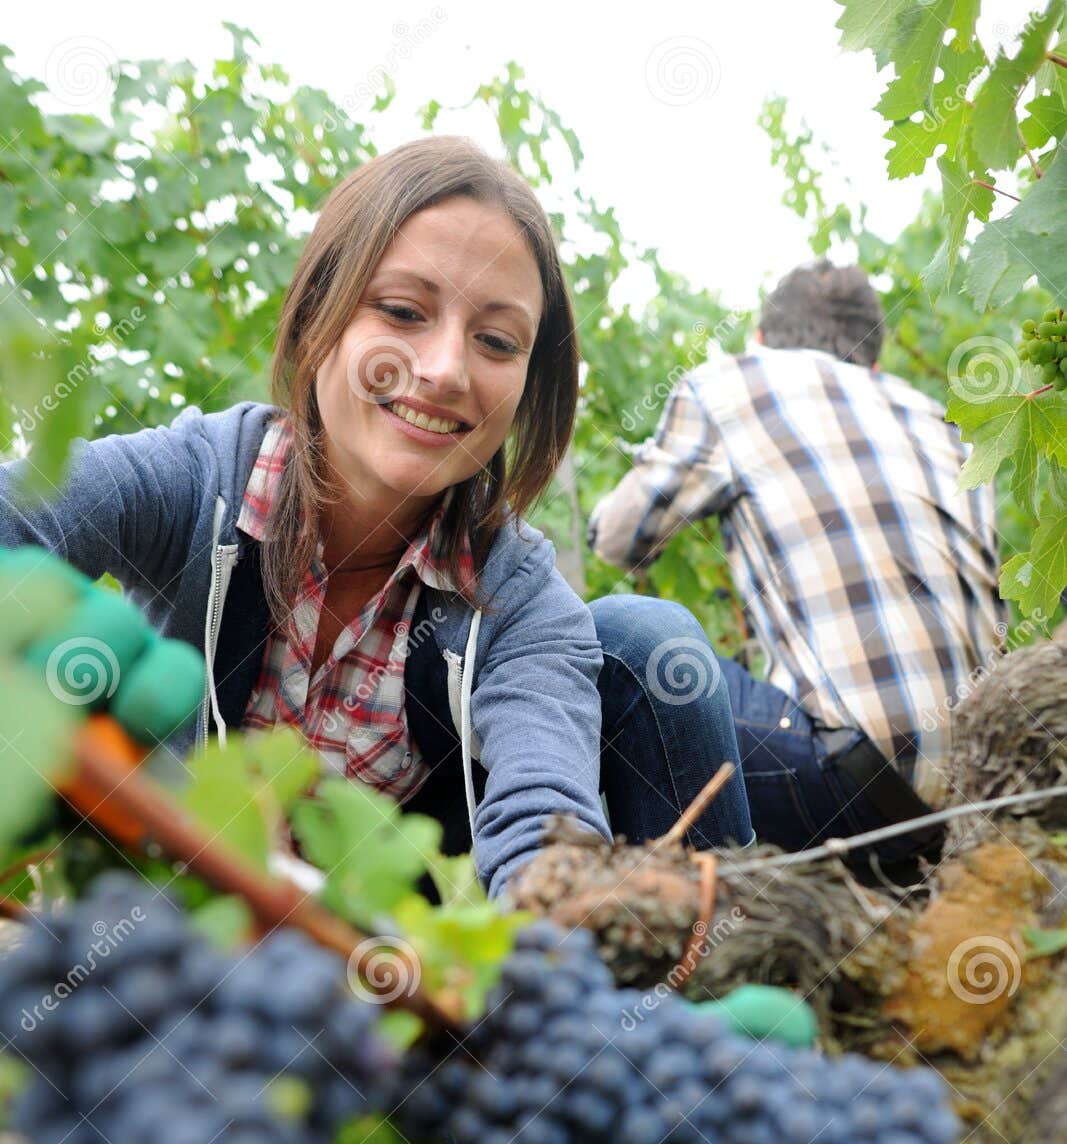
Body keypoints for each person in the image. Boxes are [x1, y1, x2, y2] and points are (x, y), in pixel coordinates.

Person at [0, 135, 751, 899]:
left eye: (496, 340)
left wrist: (563, 916)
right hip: (167, 947)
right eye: (401, 310)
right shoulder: (196, 482)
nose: (445, 370)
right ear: (320, 310)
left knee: (640, 638)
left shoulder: (518, 600)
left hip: (379, 981)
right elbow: (17, 517)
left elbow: (544, 812)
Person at [588, 259, 1005, 873]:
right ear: (875, 361)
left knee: (621, 644)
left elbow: (618, 539)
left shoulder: (730, 383)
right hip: (980, 797)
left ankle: (681, 933)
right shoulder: (943, 422)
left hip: (847, 781)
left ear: (759, 340)